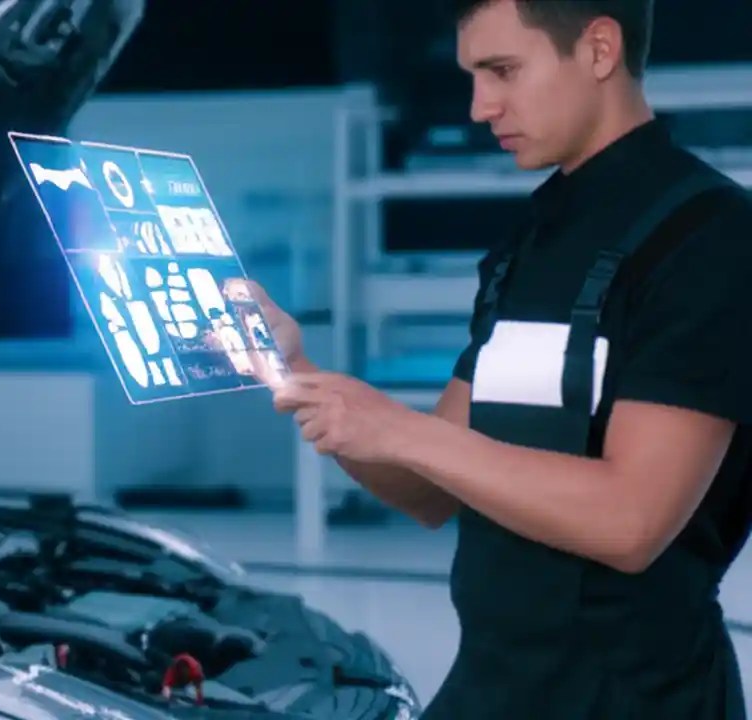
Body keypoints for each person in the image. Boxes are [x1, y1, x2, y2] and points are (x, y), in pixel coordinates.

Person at [248, 0, 752, 717]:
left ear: (600, 49)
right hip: (491, 688)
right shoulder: (531, 239)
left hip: (636, 699)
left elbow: (632, 521)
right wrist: (295, 374)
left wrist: (398, 426)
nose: (482, 106)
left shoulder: (712, 239)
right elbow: (429, 489)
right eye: (473, 76)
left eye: (503, 71)